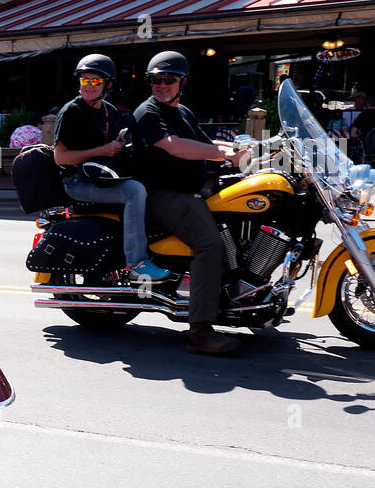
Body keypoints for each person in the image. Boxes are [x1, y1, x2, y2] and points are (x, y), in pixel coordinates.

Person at [132, 50, 250, 356]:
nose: (161, 85)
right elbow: (174, 147)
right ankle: (200, 331)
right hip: (163, 196)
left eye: (168, 79)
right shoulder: (148, 113)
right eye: (156, 80)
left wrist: (244, 149)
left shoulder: (182, 112)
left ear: (182, 81)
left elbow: (207, 145)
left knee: (235, 227)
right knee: (209, 244)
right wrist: (224, 155)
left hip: (191, 192)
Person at [55, 54, 171, 283]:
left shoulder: (109, 110)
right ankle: (137, 263)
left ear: (107, 85)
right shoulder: (71, 111)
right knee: (133, 191)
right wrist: (102, 150)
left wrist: (118, 144)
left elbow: (112, 143)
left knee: (147, 182)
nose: (88, 86)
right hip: (77, 181)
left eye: (95, 81)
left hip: (102, 176)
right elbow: (60, 157)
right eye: (84, 80)